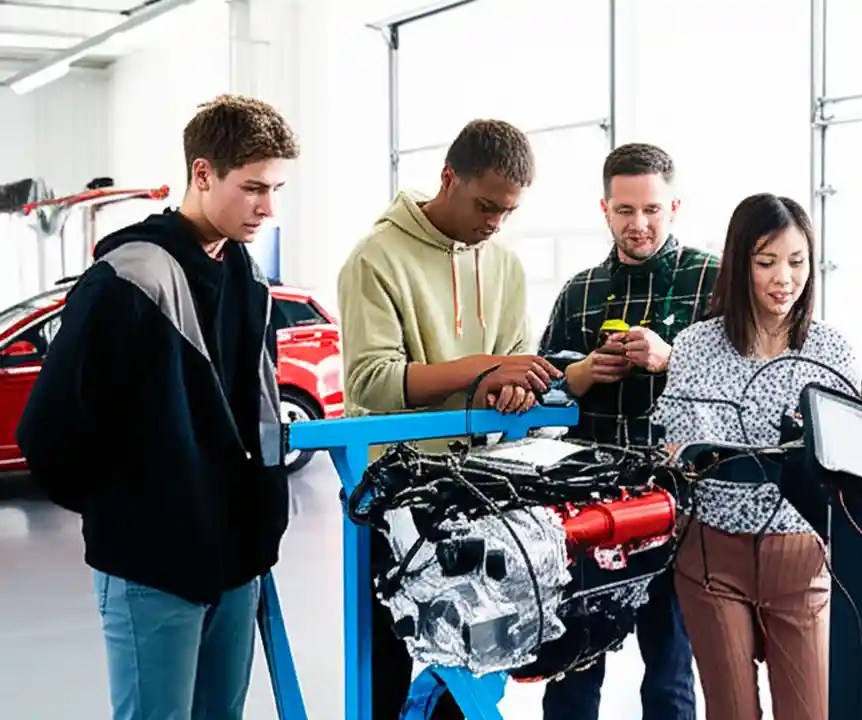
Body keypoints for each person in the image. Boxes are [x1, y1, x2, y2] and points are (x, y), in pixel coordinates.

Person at [16, 94, 299, 719]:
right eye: (253, 187)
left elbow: (257, 408)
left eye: (276, 188)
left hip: (237, 561)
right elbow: (49, 433)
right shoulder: (127, 279)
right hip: (154, 568)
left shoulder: (247, 278)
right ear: (203, 174)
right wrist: (137, 511)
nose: (268, 208)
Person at [337, 118, 561, 719]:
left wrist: (509, 390)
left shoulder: (506, 265)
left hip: (483, 491)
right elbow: (370, 384)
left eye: (508, 212)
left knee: (480, 654)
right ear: (448, 178)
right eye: (486, 204)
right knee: (383, 659)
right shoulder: (374, 259)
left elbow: (507, 371)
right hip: (394, 493)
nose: (494, 222)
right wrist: (484, 367)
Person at [652, 193, 860, 720]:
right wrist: (677, 454)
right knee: (732, 712)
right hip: (710, 554)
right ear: (740, 262)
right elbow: (672, 440)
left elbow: (855, 453)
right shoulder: (697, 344)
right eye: (766, 262)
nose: (783, 279)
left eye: (797, 262)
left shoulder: (832, 350)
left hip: (800, 554)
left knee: (810, 711)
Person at [537, 142, 717, 720]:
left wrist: (674, 360)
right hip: (588, 505)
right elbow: (543, 384)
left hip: (678, 503)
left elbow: (747, 381)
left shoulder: (712, 280)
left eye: (652, 210)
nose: (639, 224)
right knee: (570, 665)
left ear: (675, 206)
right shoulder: (581, 289)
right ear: (604, 208)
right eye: (625, 211)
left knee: (669, 670)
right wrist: (581, 374)